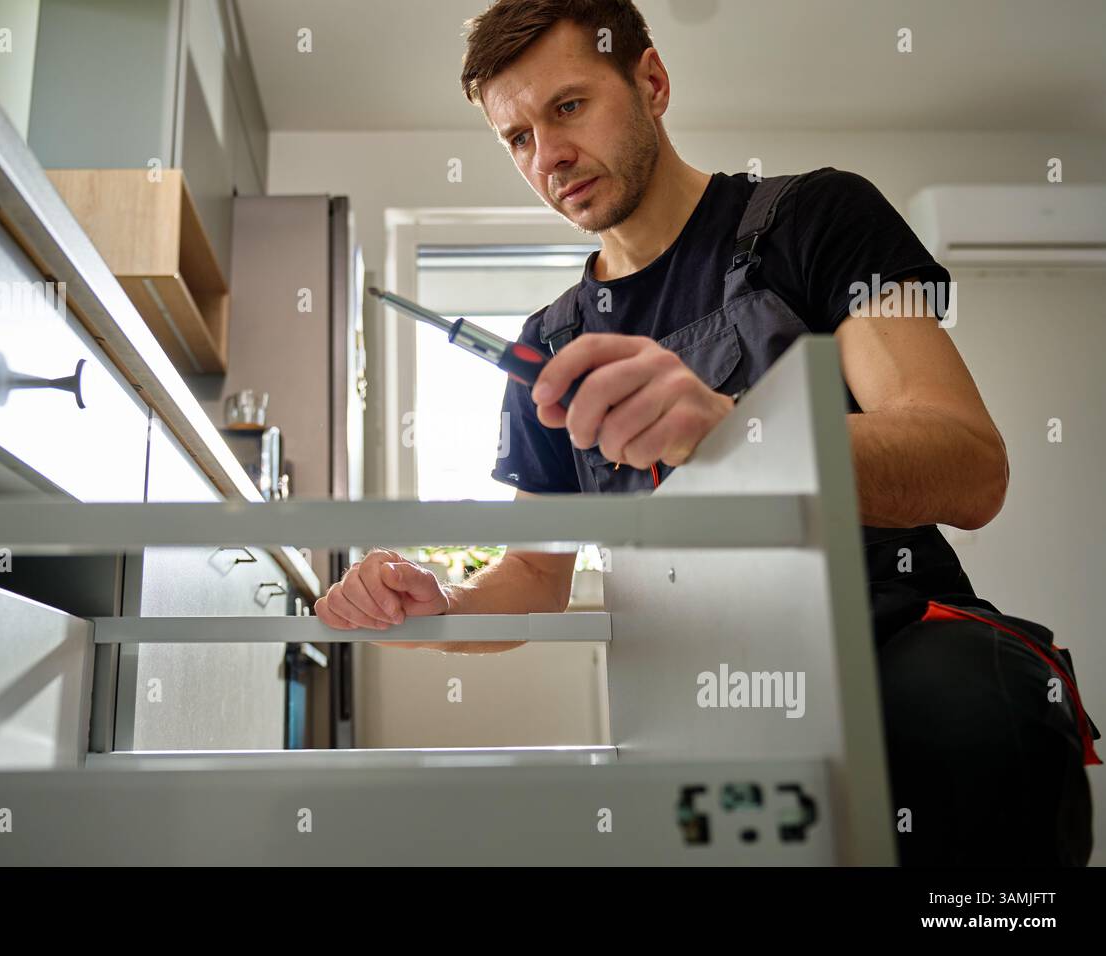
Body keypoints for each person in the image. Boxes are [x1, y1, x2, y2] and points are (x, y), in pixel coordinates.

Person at [314, 0, 1097, 865]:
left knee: (968, 725)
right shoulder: (548, 349)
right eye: (518, 137)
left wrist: (738, 435)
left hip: (902, 652)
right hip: (705, 718)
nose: (549, 156)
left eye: (568, 107)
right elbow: (536, 573)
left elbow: (967, 463)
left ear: (650, 81)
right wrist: (440, 603)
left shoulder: (818, 220)